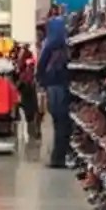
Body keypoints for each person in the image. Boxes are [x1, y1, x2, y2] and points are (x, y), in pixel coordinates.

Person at [37, 15, 71, 168]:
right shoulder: (64, 46)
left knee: (57, 123)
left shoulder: (49, 45)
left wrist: (41, 81)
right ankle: (61, 156)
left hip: (52, 87)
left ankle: (57, 158)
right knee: (63, 123)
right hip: (62, 86)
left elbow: (41, 67)